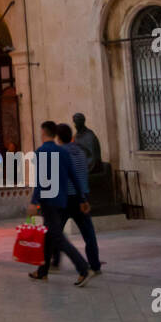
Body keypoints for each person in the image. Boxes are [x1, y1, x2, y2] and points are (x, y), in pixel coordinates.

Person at [27, 121, 90, 286]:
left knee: (58, 238)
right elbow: (74, 176)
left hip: (48, 201)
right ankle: (42, 272)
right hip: (61, 199)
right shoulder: (63, 152)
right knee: (49, 236)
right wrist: (82, 199)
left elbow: (40, 179)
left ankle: (83, 268)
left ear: (43, 133)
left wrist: (34, 202)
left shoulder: (41, 152)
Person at [52, 123, 102, 276]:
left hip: (65, 198)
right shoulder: (80, 153)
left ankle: (54, 262)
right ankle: (95, 265)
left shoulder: (59, 153)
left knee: (55, 232)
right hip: (81, 197)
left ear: (58, 138)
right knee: (88, 234)